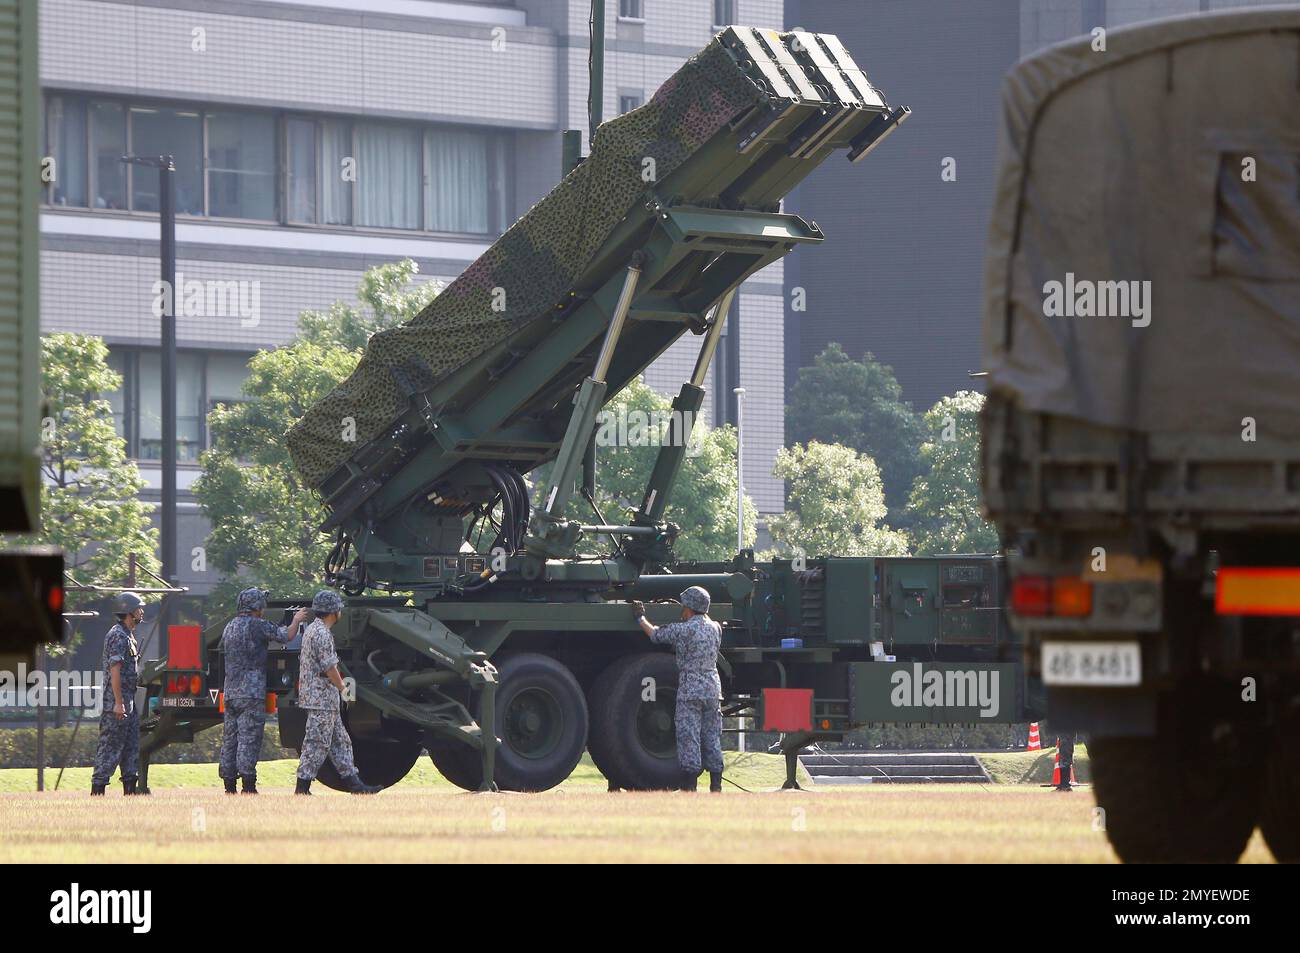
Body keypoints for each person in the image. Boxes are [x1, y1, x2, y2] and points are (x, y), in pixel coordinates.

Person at [631, 586, 724, 792]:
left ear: (690, 607)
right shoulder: (716, 627)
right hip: (712, 687)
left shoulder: (686, 629)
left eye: (684, 605)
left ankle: (690, 784)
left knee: (688, 734)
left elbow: (655, 635)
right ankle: (716, 784)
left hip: (691, 688)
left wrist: (640, 618)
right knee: (711, 736)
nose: (682, 609)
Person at [218, 588, 311, 794]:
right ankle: (248, 785)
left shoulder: (230, 627)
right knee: (249, 738)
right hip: (251, 693)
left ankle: (229, 785)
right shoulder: (257, 626)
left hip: (231, 692)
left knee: (230, 739)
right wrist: (296, 620)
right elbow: (286, 636)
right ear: (256, 607)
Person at [294, 590, 381, 796]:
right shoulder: (322, 634)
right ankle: (302, 787)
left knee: (340, 742)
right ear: (333, 611)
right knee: (316, 743)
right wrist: (343, 688)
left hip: (322, 699)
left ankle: (355, 784)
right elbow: (329, 667)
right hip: (321, 699)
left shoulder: (313, 630)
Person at [91, 592, 145, 796]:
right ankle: (98, 792)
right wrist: (119, 703)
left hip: (127, 701)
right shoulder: (117, 635)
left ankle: (130, 794)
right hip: (117, 702)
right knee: (110, 748)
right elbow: (115, 670)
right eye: (139, 608)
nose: (142, 612)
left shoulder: (128, 635)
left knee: (131, 749)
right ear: (129, 611)